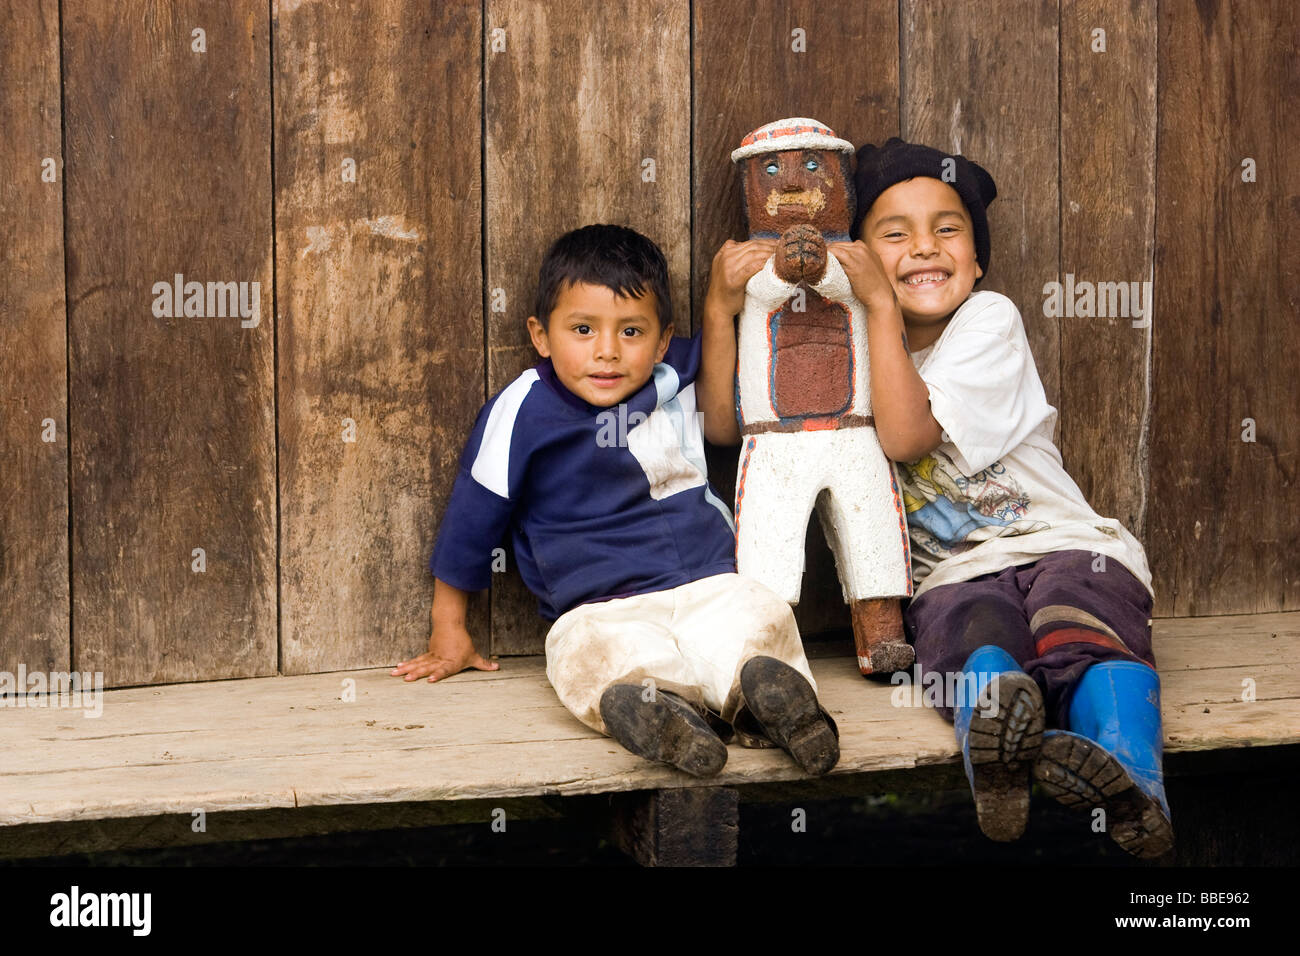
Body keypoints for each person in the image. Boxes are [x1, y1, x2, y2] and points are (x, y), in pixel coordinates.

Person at [392, 224, 839, 778]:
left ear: (661, 341)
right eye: (582, 329)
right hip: (598, 606)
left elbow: (720, 394)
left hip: (710, 583)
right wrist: (449, 627)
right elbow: (472, 518)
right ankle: (667, 717)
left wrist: (721, 302)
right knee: (589, 653)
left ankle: (780, 709)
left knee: (758, 617)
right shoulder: (523, 408)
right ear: (541, 335)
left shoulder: (674, 374)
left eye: (631, 331)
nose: (607, 352)